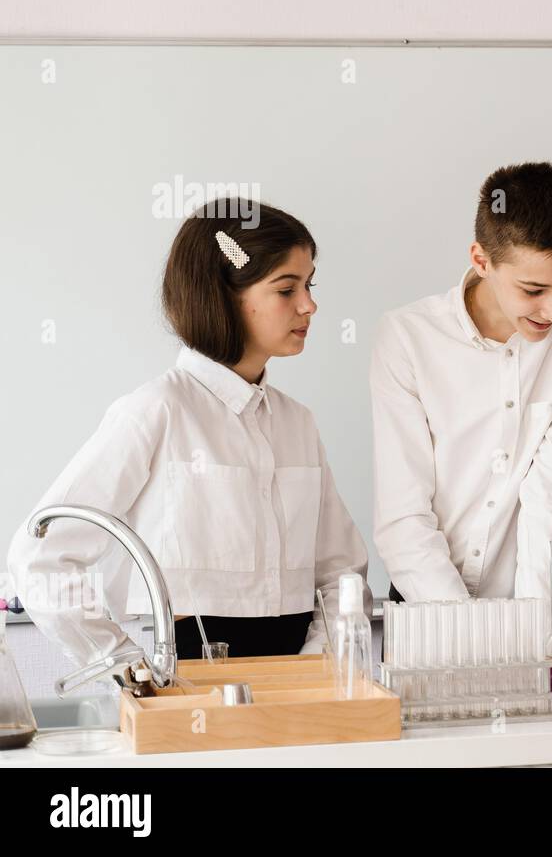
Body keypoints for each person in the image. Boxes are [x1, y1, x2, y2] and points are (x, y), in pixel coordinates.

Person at [8, 200, 370, 661]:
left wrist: (317, 663)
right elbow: (39, 557)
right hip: (185, 688)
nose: (309, 305)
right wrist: (127, 668)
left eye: (309, 284)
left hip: (295, 688)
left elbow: (342, 571)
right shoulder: (155, 412)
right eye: (286, 289)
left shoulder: (297, 422)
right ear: (225, 295)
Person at [370, 162, 552, 654]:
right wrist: (474, 638)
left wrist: (528, 642)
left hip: (541, 609)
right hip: (428, 613)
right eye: (533, 290)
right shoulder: (406, 337)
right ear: (481, 260)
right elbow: (403, 516)